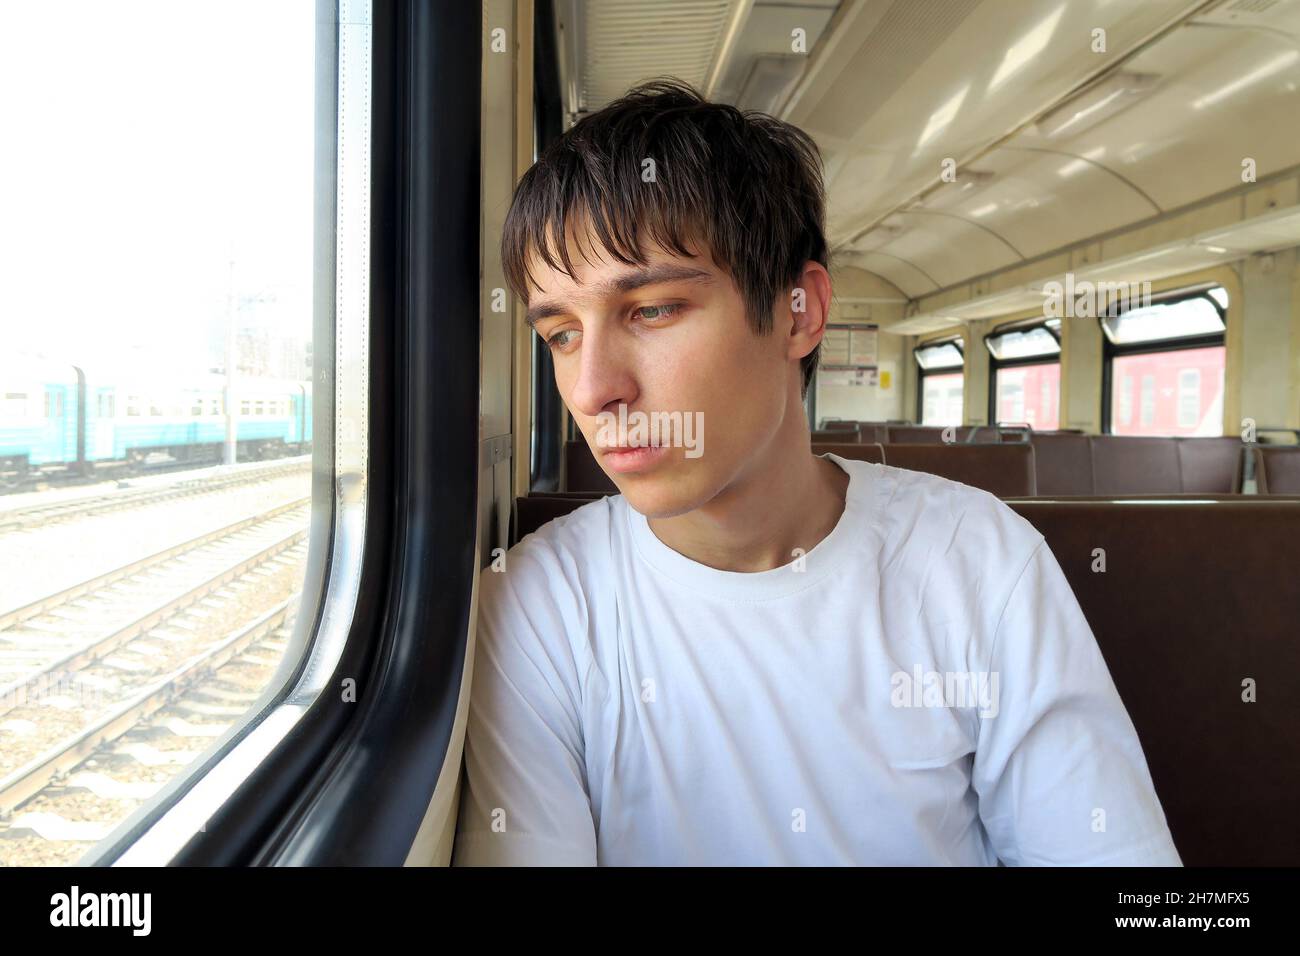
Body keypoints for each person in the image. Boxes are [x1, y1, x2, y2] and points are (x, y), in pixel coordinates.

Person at [452, 79, 1180, 866]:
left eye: (653, 310)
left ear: (799, 310)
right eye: (560, 334)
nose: (594, 389)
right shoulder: (533, 610)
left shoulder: (977, 560)